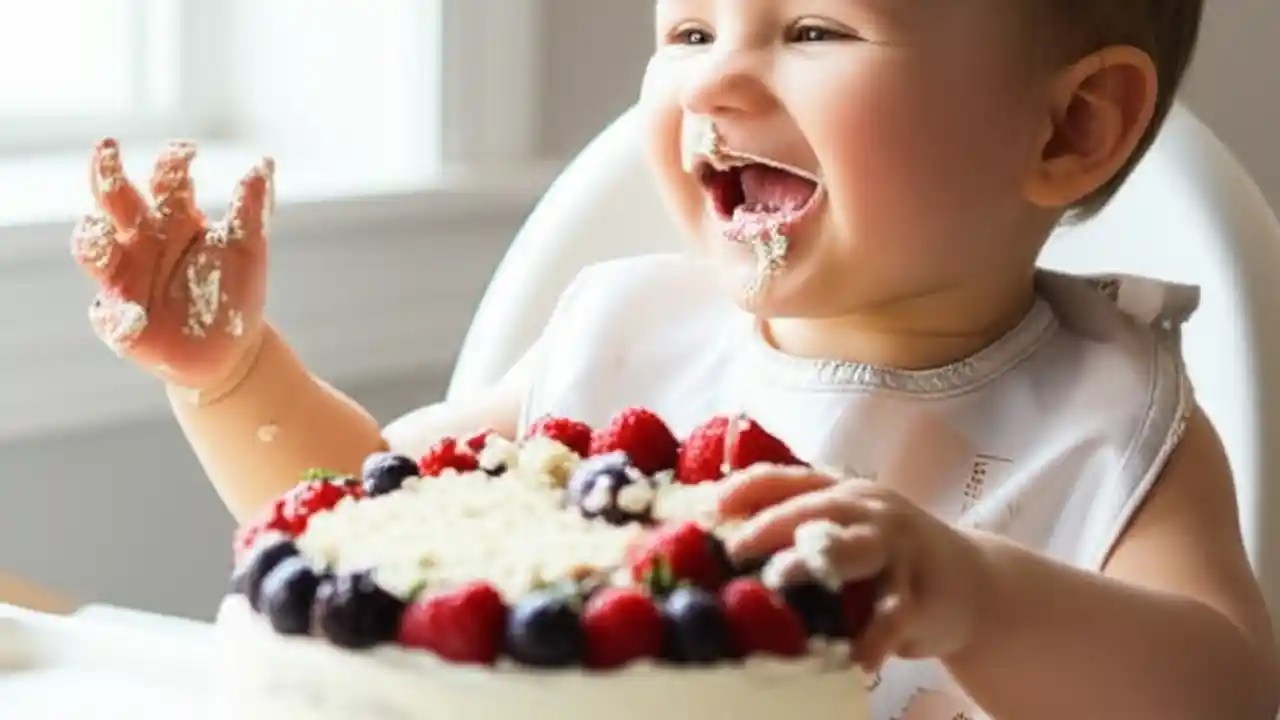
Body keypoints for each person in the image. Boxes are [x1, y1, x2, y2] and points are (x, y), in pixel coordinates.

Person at [70, 1, 1276, 717]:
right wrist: (231, 379)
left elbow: (1222, 694)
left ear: (1068, 128)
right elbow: (368, 536)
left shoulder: (1106, 416)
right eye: (688, 27)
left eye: (810, 26)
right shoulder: (624, 338)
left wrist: (970, 593)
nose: (712, 75)